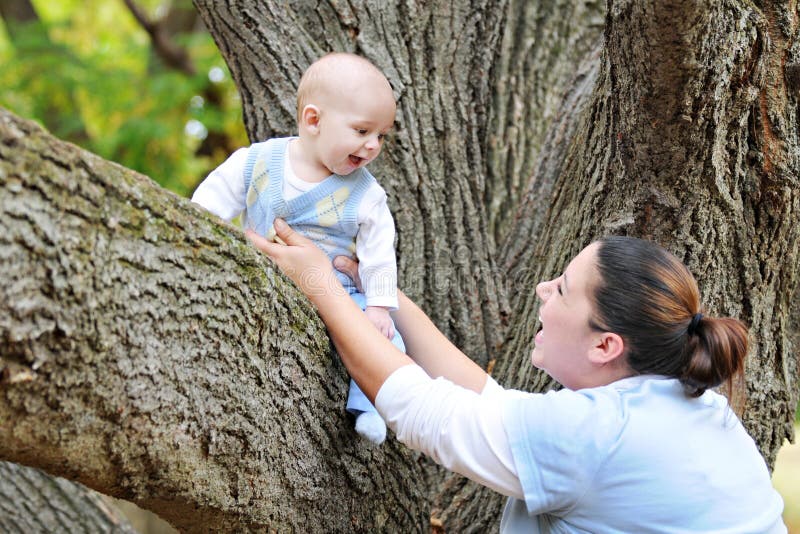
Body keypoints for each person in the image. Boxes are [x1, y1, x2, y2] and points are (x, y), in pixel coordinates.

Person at [248, 220, 787, 533]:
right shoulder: (687, 408)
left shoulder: (598, 435)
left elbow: (418, 410)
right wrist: (382, 297)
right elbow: (494, 408)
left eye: (563, 289)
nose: (542, 289)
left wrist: (320, 285)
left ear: (606, 345)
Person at [191, 52, 403, 445]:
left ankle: (367, 406)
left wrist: (377, 306)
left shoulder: (366, 195)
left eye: (382, 135)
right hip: (259, 278)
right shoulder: (256, 163)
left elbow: (378, 253)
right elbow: (209, 204)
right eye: (362, 131)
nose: (373, 145)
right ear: (313, 120)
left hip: (337, 294)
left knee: (389, 339)